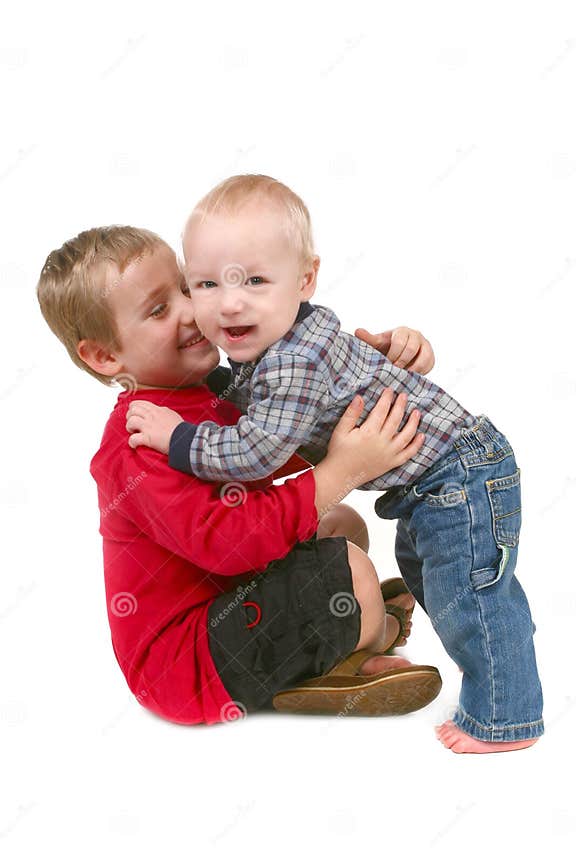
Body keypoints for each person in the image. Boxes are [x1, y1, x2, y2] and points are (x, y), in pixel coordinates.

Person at [127, 174, 544, 753]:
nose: (229, 302)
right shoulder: (285, 342)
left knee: (470, 597)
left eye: (254, 280)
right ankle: (386, 633)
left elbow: (254, 452)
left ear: (305, 279)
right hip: (438, 485)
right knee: (437, 579)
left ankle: (505, 722)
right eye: (205, 283)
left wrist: (178, 437)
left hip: (458, 478)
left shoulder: (293, 363)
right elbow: (260, 403)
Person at [36, 224, 442, 727]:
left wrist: (376, 370)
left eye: (187, 288)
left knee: (342, 524)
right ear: (105, 355)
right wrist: (341, 470)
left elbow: (283, 439)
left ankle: (341, 639)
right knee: (352, 571)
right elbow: (230, 543)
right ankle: (366, 636)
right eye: (160, 310)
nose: (191, 310)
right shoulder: (139, 440)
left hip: (229, 593)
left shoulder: (210, 388)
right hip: (190, 663)